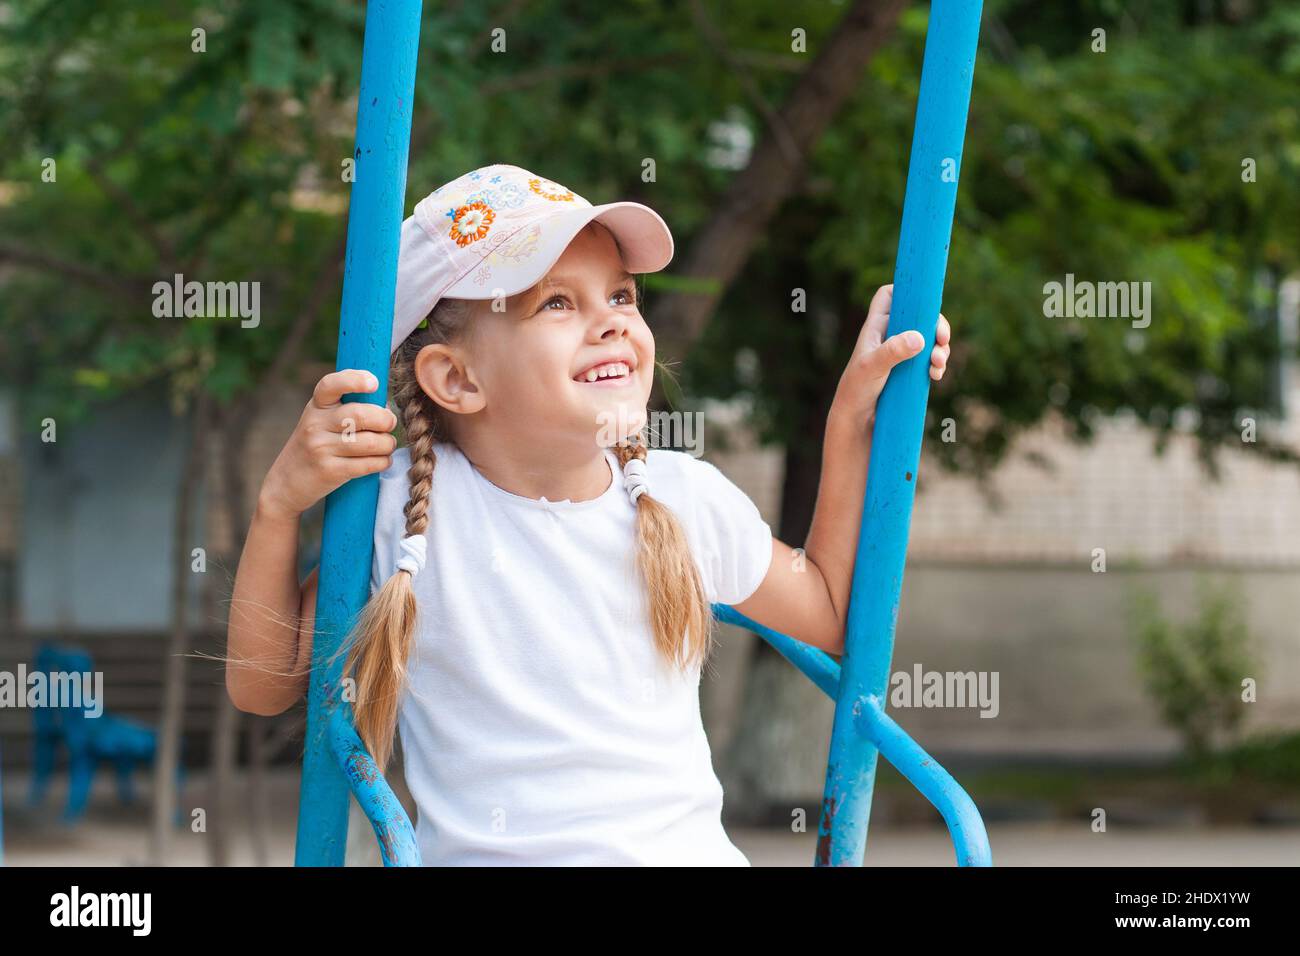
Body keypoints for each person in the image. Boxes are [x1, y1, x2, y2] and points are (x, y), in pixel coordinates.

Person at [226, 163, 952, 865]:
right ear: (455, 377)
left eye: (622, 297)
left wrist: (851, 419)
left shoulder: (682, 499)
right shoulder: (407, 518)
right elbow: (261, 685)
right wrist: (279, 505)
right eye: (558, 303)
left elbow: (828, 610)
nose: (610, 324)